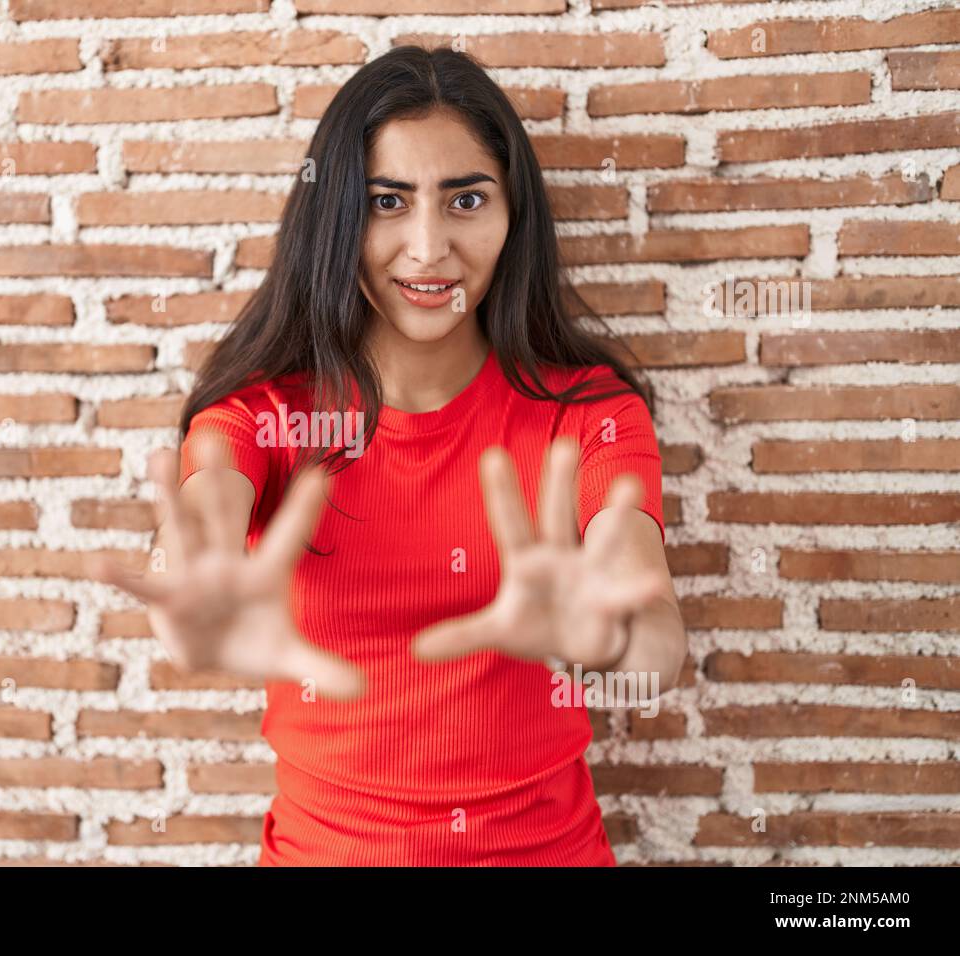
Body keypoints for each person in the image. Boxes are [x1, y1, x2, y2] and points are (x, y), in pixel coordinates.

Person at [91, 45, 688, 866]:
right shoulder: (262, 415)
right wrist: (186, 589)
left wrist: (611, 636)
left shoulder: (589, 414)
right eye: (386, 202)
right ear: (335, 218)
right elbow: (207, 510)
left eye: (466, 199)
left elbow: (656, 638)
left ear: (514, 216)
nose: (429, 248)